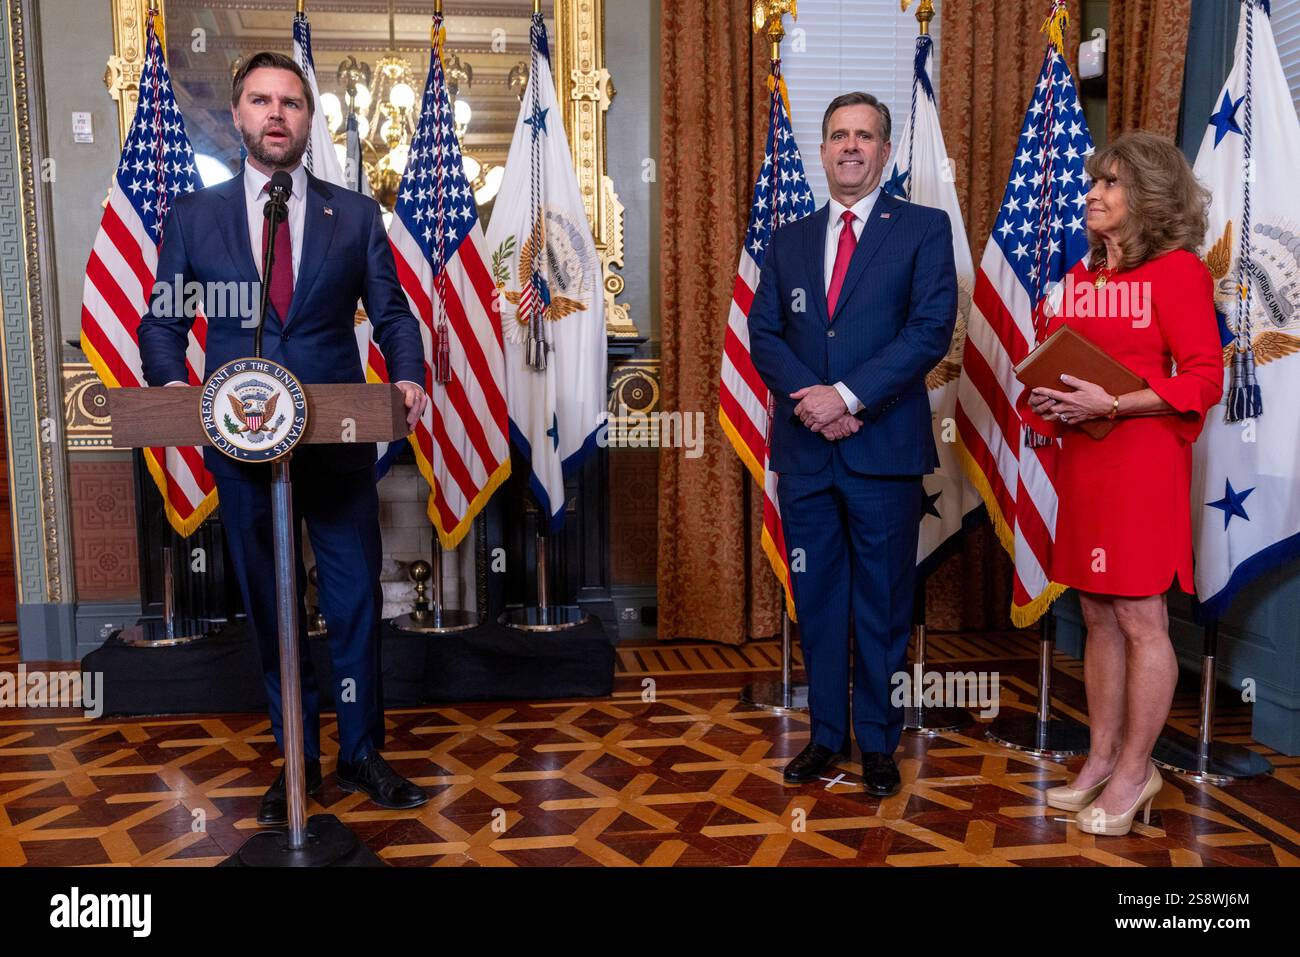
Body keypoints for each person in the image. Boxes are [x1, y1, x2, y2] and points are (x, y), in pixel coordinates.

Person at [138, 52, 431, 825]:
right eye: (261, 101)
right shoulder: (195, 217)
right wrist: (172, 386)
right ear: (236, 115)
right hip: (240, 444)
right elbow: (164, 321)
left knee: (356, 599)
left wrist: (406, 374)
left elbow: (394, 314)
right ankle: (296, 759)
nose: (277, 114)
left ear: (308, 119)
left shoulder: (356, 215)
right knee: (273, 609)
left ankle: (362, 751)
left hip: (336, 440)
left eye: (292, 103)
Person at [748, 92, 957, 797]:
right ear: (824, 148)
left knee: (882, 603)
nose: (851, 146)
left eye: (865, 136)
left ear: (886, 152)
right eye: (839, 134)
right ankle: (825, 737)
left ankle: (877, 741)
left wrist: (849, 397)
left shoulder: (923, 230)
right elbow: (765, 336)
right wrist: (817, 402)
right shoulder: (789, 239)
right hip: (807, 451)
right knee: (818, 599)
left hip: (884, 452)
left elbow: (929, 332)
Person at [1019, 131, 1223, 836]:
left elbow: (1203, 377)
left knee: (1141, 618)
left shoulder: (1179, 273)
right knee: (1097, 613)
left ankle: (1139, 768)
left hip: (1142, 465)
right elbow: (1047, 365)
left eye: (1110, 184)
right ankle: (1102, 755)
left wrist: (1111, 404)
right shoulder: (1082, 277)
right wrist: (1048, 399)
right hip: (1084, 462)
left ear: (1149, 198)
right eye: (1093, 183)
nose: (1093, 196)